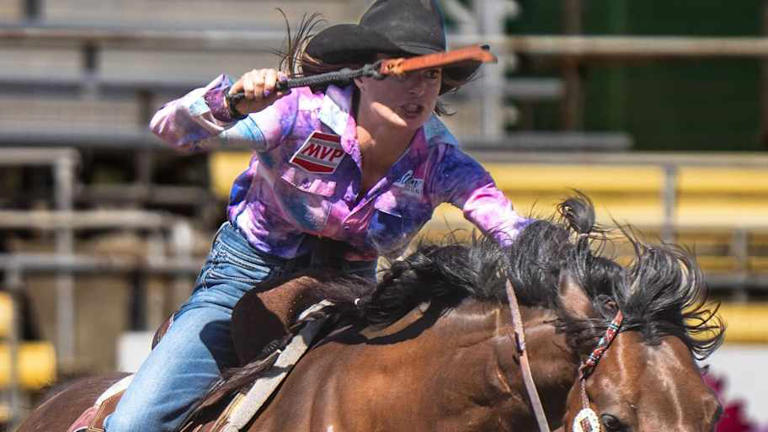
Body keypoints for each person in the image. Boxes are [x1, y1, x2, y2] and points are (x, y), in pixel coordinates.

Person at [105, 0, 530, 430]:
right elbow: (170, 129)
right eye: (402, 70)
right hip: (244, 279)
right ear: (362, 75)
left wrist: (566, 270)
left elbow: (508, 226)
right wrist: (232, 104)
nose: (418, 90)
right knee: (131, 426)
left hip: (353, 298)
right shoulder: (295, 114)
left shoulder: (442, 162)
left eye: (431, 74)